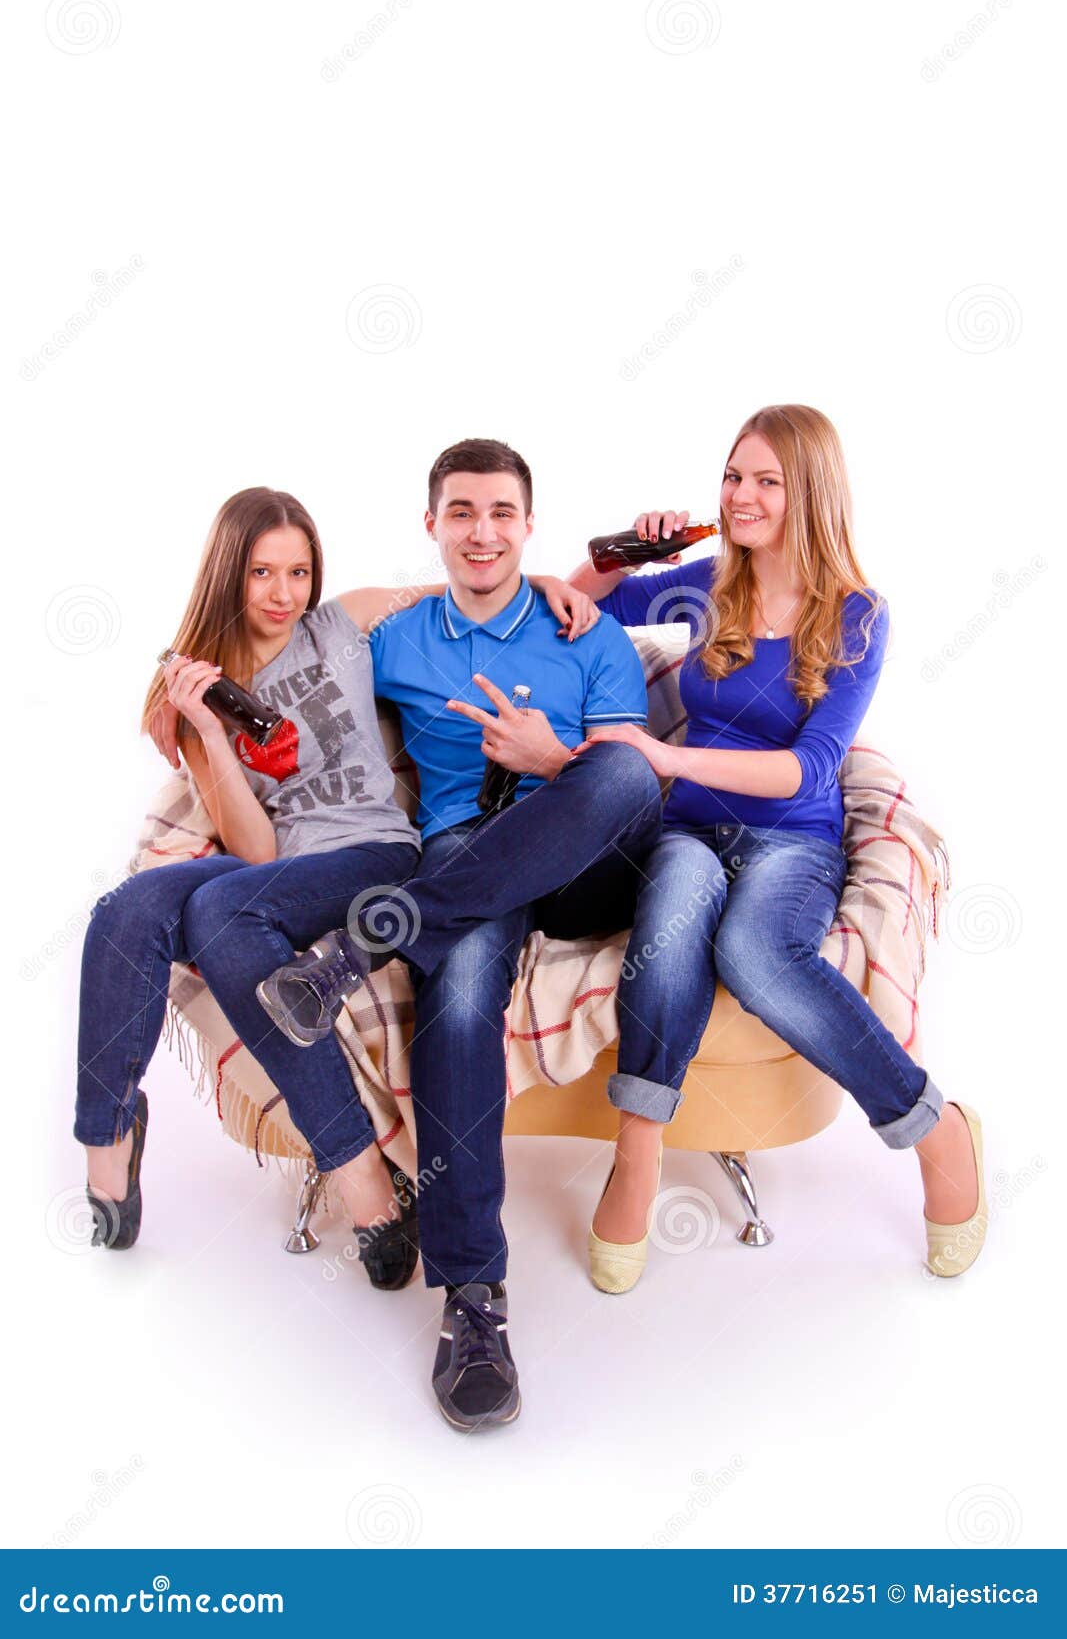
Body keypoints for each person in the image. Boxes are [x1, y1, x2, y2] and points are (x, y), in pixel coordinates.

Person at [78, 484, 594, 1292]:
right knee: (128, 907)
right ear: (227, 578)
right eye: (262, 574)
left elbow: (469, 588)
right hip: (282, 869)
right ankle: (107, 1137)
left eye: (298, 572)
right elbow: (253, 848)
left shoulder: (344, 621)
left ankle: (359, 1182)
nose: (284, 595)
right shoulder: (199, 704)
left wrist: (562, 583)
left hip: (376, 855)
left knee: (217, 911)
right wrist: (211, 733)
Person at [258, 438, 664, 1431]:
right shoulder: (400, 640)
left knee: (616, 773)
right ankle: (472, 1300)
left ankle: (365, 944)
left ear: (530, 525)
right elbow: (294, 643)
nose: (481, 532)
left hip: (579, 858)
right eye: (460, 513)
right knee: (457, 991)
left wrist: (551, 756)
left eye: (500, 514)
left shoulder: (587, 633)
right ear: (431, 523)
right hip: (463, 860)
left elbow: (629, 780)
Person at [566, 404, 986, 1291]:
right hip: (686, 828)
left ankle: (931, 1126)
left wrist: (670, 755)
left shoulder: (857, 615)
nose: (741, 495)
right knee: (671, 918)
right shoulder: (706, 583)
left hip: (790, 839)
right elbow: (577, 609)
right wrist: (619, 555)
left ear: (812, 495)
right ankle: (637, 1150)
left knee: (754, 948)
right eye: (731, 476)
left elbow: (812, 768)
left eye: (766, 480)